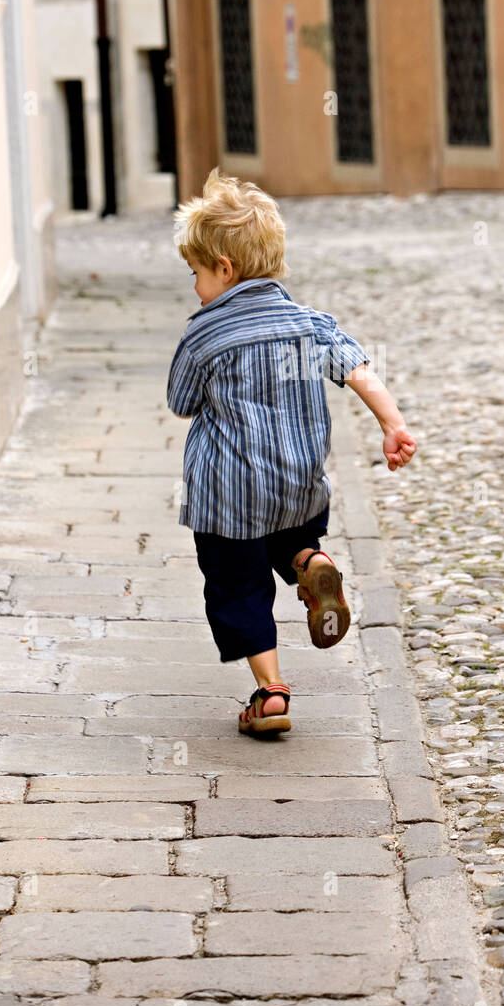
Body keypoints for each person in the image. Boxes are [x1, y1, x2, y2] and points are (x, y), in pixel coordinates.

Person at [167, 169, 417, 735]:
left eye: (196, 275)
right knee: (289, 537)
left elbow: (181, 401)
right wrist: (392, 424)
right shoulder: (309, 324)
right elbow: (358, 370)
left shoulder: (204, 333)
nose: (196, 288)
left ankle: (271, 694)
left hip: (229, 494)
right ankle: (311, 562)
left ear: (224, 270)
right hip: (299, 485)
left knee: (239, 586)